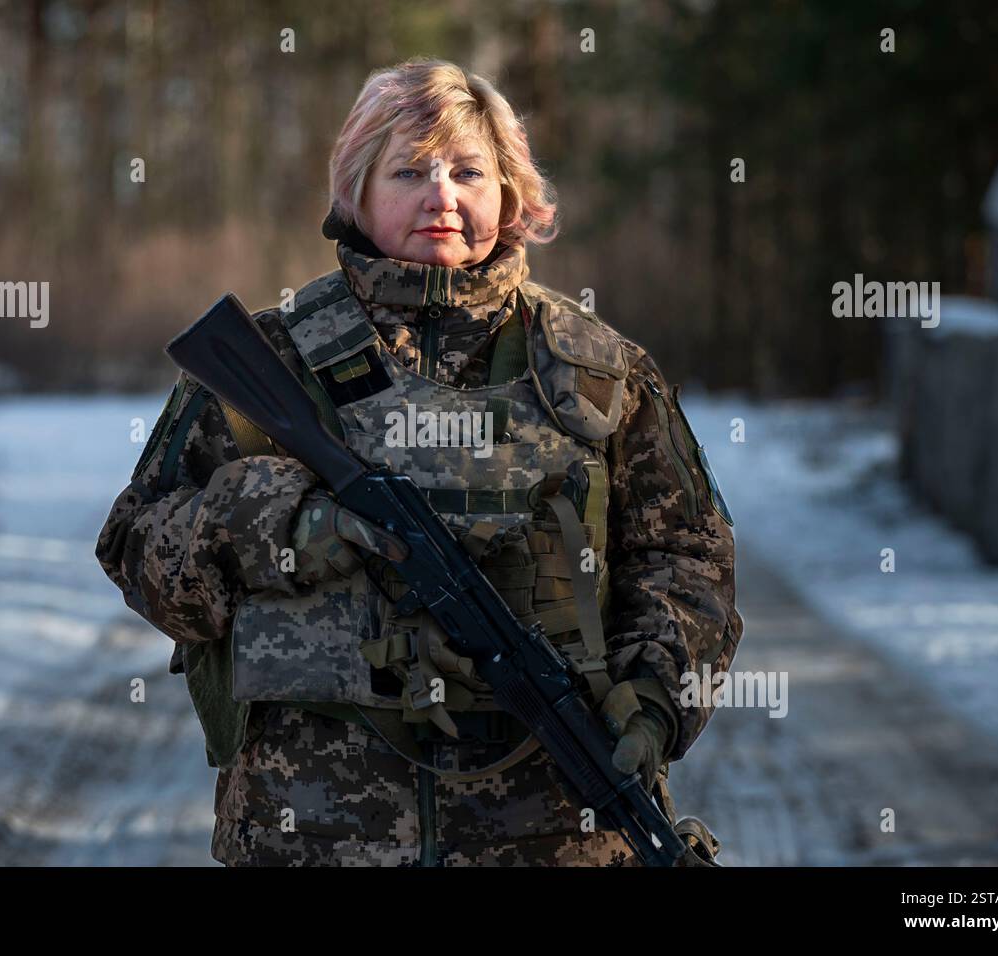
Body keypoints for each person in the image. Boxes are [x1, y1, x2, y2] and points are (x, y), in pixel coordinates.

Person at [96, 57, 742, 866]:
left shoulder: (599, 371)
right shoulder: (270, 362)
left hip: (556, 834)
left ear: (510, 193)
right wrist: (281, 522)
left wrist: (653, 697)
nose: (442, 196)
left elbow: (688, 559)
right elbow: (134, 548)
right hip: (313, 837)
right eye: (409, 170)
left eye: (469, 170)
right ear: (354, 192)